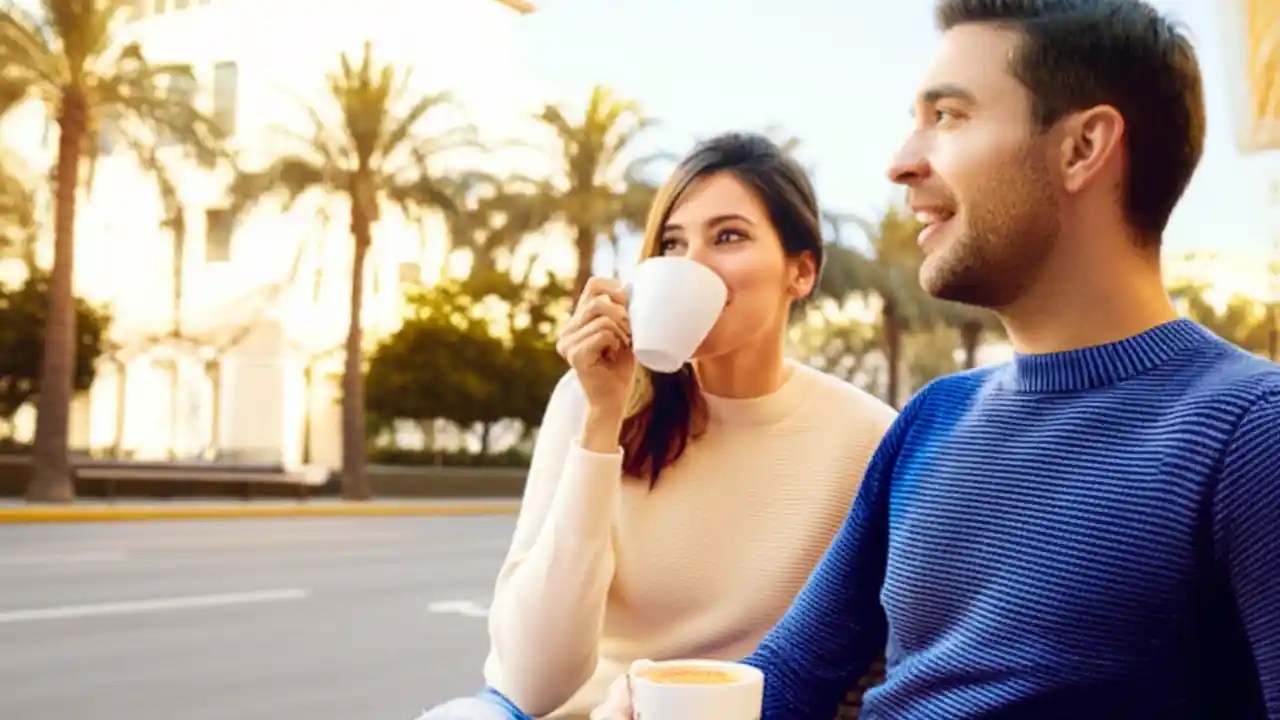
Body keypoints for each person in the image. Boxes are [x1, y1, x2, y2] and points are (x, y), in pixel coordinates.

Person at [595, 0, 1280, 718]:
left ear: (1083, 149)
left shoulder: (1249, 432)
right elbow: (791, 673)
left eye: (948, 116)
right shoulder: (932, 420)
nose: (901, 163)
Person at [418, 133, 898, 719]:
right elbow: (530, 682)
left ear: (800, 272)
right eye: (672, 243)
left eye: (728, 236)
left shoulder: (867, 436)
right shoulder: (589, 398)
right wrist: (601, 421)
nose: (691, 263)